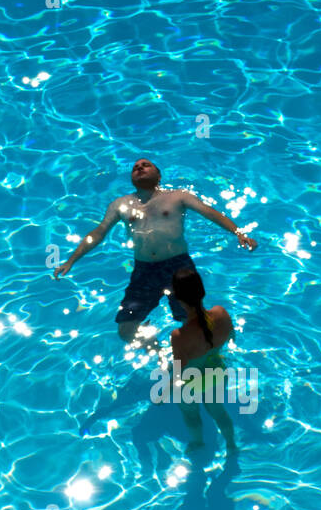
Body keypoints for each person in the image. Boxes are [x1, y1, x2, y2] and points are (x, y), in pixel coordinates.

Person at [54, 159, 257, 344]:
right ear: (132, 179)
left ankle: (217, 342)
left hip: (179, 267)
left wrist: (238, 232)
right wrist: (71, 260)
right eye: (135, 168)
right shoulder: (120, 204)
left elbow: (209, 212)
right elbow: (99, 232)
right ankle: (160, 354)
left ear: (159, 175)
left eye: (145, 165)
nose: (139, 168)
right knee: (126, 329)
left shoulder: (178, 196)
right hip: (144, 271)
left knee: (194, 321)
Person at [168, 267, 236, 452]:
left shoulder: (179, 335)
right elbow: (232, 338)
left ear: (178, 299)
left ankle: (198, 442)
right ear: (202, 291)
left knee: (191, 414)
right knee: (218, 412)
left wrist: (164, 392)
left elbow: (178, 371)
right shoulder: (221, 313)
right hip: (216, 373)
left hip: (191, 383)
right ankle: (231, 445)